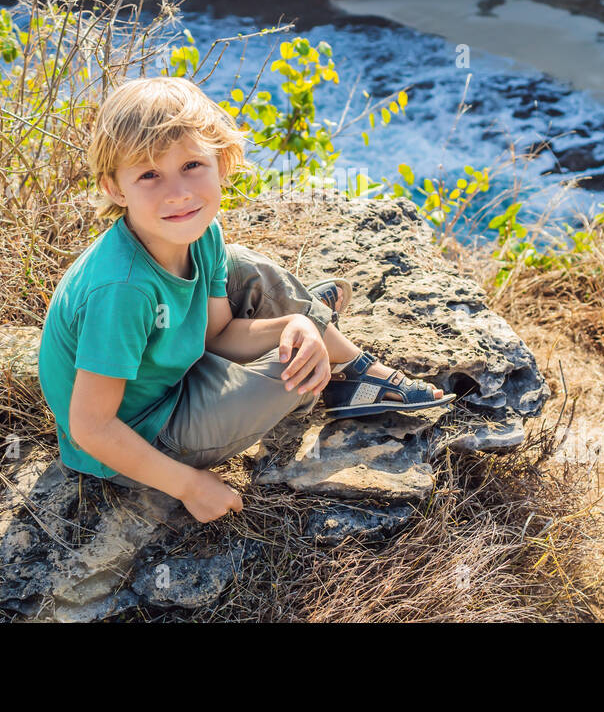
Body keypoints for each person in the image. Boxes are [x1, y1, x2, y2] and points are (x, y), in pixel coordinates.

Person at [37, 76, 454, 524]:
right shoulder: (123, 290)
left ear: (223, 161)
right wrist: (189, 485)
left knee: (244, 267)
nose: (177, 192)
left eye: (192, 165)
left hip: (178, 370)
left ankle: (348, 364)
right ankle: (321, 367)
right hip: (138, 436)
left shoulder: (203, 235)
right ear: (116, 189)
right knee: (287, 373)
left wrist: (294, 327)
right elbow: (91, 428)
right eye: (149, 175)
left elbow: (216, 335)